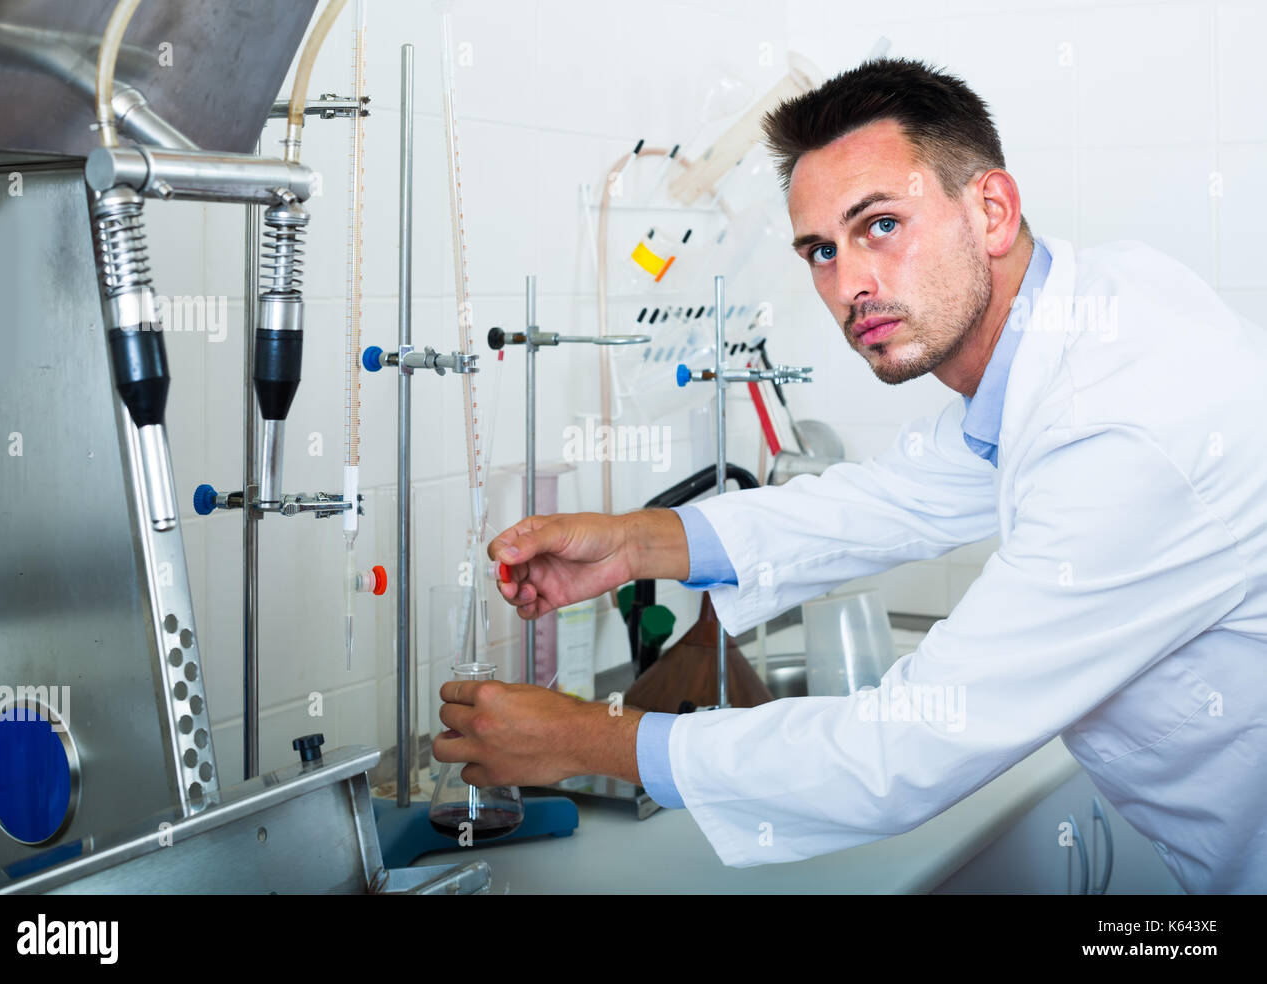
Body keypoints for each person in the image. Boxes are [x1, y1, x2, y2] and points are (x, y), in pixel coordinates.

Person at [433, 58, 1267, 893]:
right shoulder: (1084, 320)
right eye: (822, 250)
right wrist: (636, 545)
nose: (850, 285)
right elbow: (894, 501)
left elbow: (903, 748)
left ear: (992, 211)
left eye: (880, 226)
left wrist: (589, 738)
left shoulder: (1115, 427)